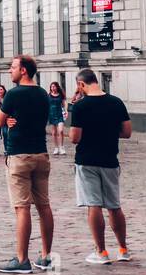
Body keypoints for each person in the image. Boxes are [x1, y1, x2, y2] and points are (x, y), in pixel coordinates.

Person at [0, 56, 53, 274]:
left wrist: (9, 118)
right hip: (41, 154)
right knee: (44, 206)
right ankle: (46, 256)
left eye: (13, 67)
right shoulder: (43, 94)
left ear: (24, 71)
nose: (10, 71)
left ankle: (22, 259)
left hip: (19, 155)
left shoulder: (14, 94)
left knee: (22, 208)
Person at [69, 67, 133, 264]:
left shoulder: (80, 106)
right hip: (109, 159)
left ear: (81, 84)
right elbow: (127, 132)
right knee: (114, 206)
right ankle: (123, 249)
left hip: (87, 160)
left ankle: (102, 252)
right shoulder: (116, 102)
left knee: (93, 205)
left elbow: (74, 138)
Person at [48, 81, 67, 155]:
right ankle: (56, 148)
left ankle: (61, 147)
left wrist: (66, 111)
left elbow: (64, 104)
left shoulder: (60, 95)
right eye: (51, 87)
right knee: (54, 132)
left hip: (59, 114)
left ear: (57, 87)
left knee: (61, 130)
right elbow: (46, 104)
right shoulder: (49, 95)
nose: (53, 88)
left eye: (54, 86)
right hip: (51, 114)